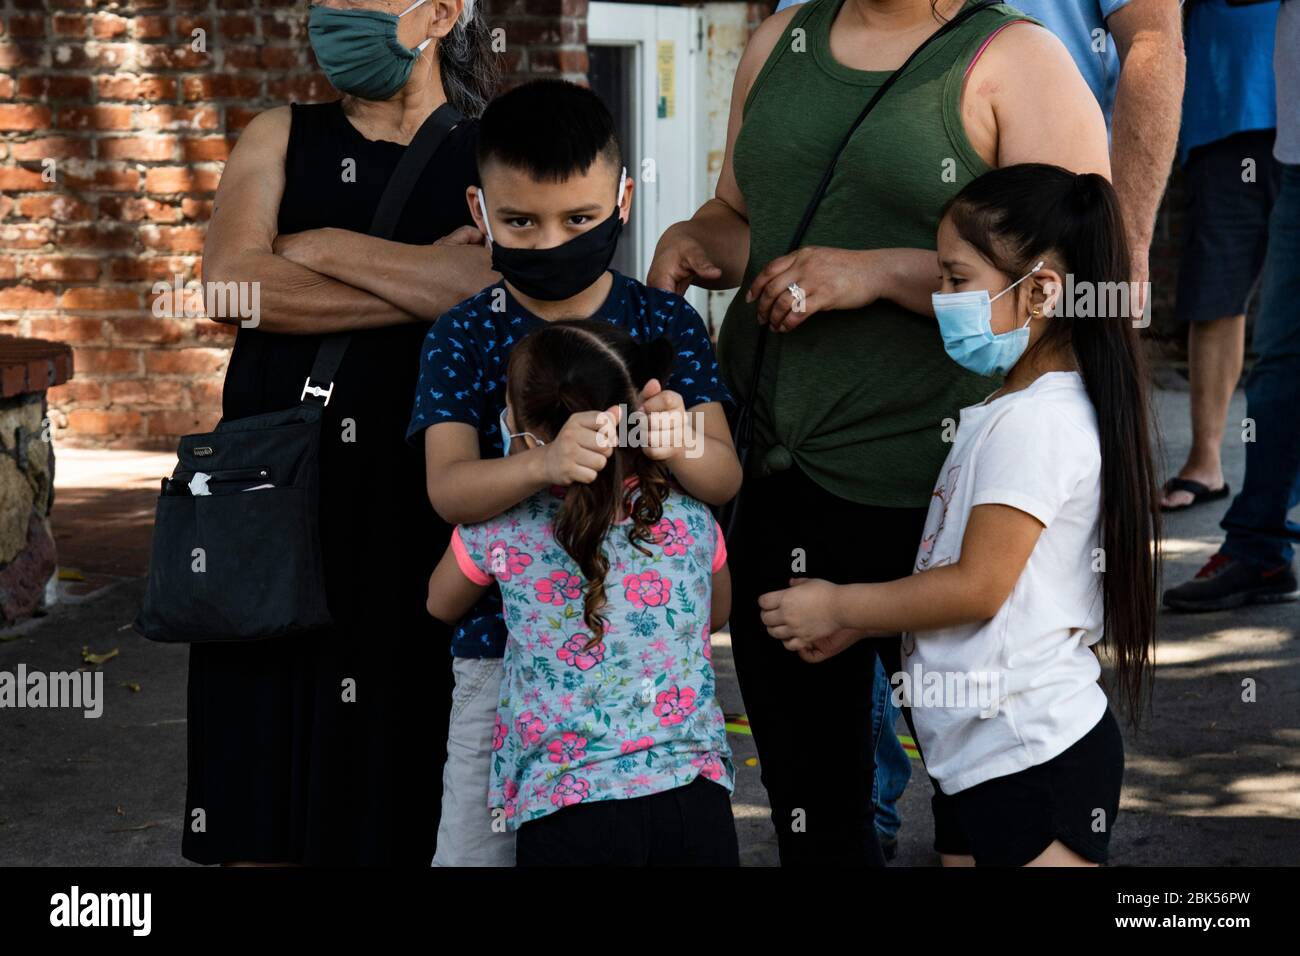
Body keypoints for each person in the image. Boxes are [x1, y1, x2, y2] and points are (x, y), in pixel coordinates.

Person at [649, 0, 1110, 867]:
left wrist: (875, 275)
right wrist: (692, 239)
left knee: (987, 783)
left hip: (939, 480)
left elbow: (1083, 282)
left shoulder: (1016, 58)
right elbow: (749, 223)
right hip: (778, 469)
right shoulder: (778, 40)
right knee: (810, 802)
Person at [760, 164, 1160, 867]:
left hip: (1029, 756)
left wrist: (840, 606)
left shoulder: (1036, 425)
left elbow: (979, 585)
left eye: (955, 279)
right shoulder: (1018, 410)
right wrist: (856, 622)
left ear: (1039, 291)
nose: (940, 299)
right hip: (978, 757)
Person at [188, 0, 497, 866]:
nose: (329, 14)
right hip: (274, 499)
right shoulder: (279, 132)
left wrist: (311, 247)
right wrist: (426, 279)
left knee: (399, 775)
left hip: (420, 501)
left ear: (438, 13)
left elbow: (499, 293)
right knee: (258, 777)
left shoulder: (492, 151)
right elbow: (231, 289)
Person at [408, 80, 742, 865]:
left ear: (624, 199)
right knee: (475, 853)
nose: (552, 241)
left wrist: (675, 440)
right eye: (521, 221)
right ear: (480, 210)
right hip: (502, 667)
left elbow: (721, 478)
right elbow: (448, 487)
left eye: (580, 219)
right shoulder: (463, 336)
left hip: (655, 683)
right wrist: (542, 466)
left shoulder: (665, 322)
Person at [426, 320, 738, 866]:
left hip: (567, 805)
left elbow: (439, 602)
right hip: (694, 796)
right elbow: (718, 612)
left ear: (523, 425)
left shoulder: (497, 527)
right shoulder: (691, 518)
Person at [1163, 0, 1300, 611]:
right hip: (1257, 122)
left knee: (1280, 352)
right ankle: (1249, 532)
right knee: (1268, 346)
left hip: (1272, 117)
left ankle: (1258, 544)